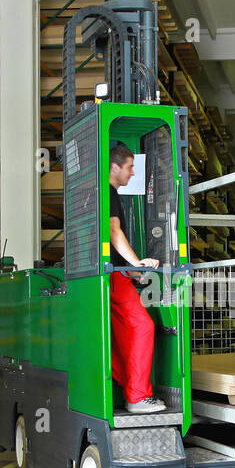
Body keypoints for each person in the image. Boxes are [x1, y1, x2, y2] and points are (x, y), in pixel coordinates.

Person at [107, 144, 166, 414]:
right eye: (130, 167)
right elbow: (114, 232)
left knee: (118, 336)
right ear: (115, 166)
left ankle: (128, 386)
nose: (132, 174)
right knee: (143, 327)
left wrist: (130, 268)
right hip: (114, 280)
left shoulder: (106, 194)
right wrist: (135, 262)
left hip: (114, 276)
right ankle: (138, 397)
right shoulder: (108, 193)